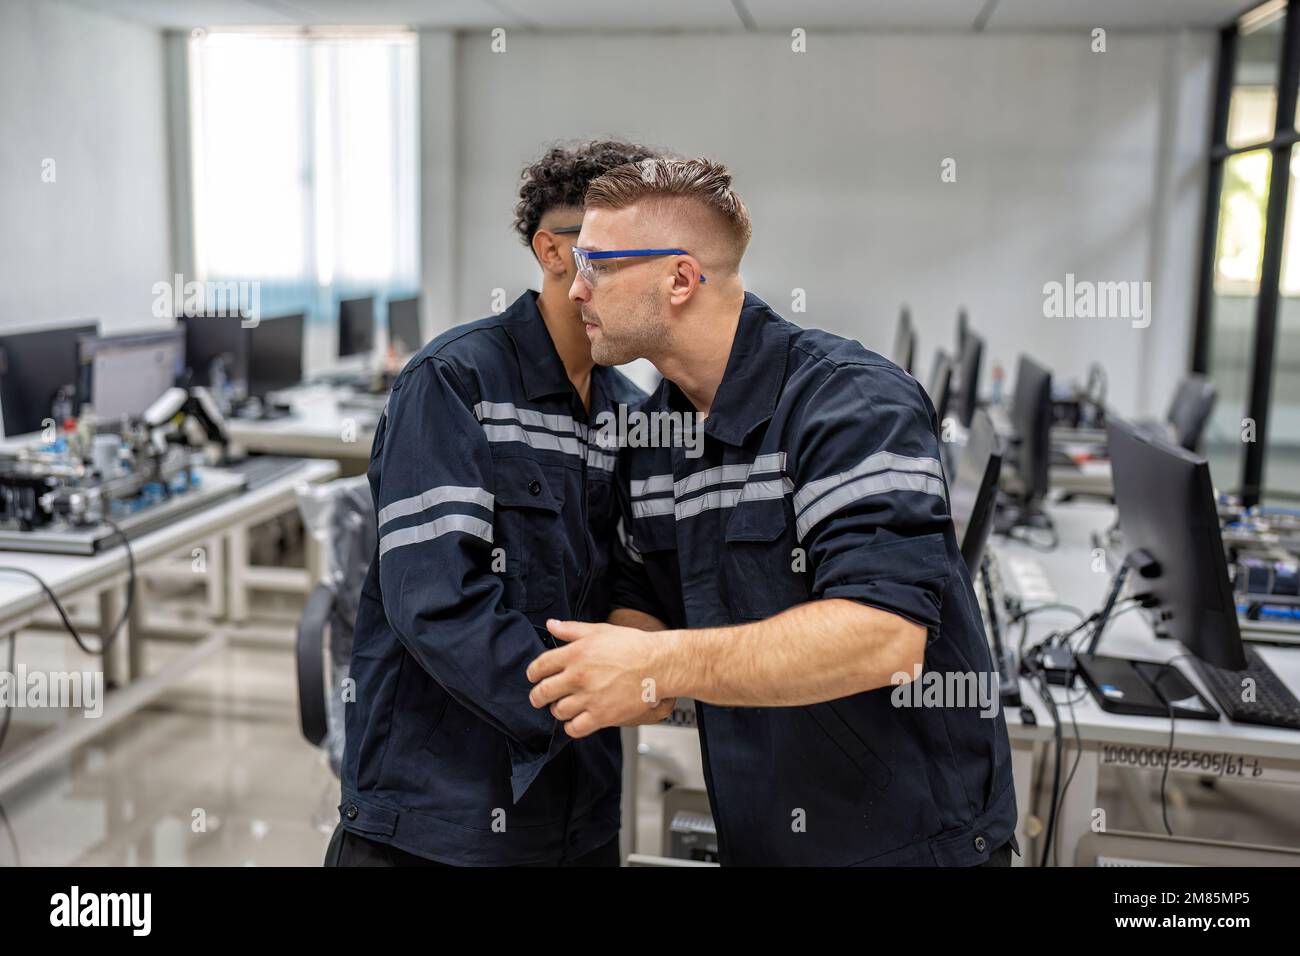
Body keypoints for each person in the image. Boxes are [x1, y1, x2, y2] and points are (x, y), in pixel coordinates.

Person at [527, 157, 1018, 866]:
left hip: (912, 847)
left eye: (597, 265)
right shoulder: (655, 436)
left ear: (680, 279)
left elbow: (884, 638)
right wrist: (620, 660)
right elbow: (643, 591)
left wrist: (657, 665)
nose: (574, 290)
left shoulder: (851, 404)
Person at [328, 141, 669, 867]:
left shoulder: (630, 410)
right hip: (437, 811)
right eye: (621, 254)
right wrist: (586, 697)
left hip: (578, 809)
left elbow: (642, 572)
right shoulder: (453, 384)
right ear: (554, 252)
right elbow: (438, 601)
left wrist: (644, 660)